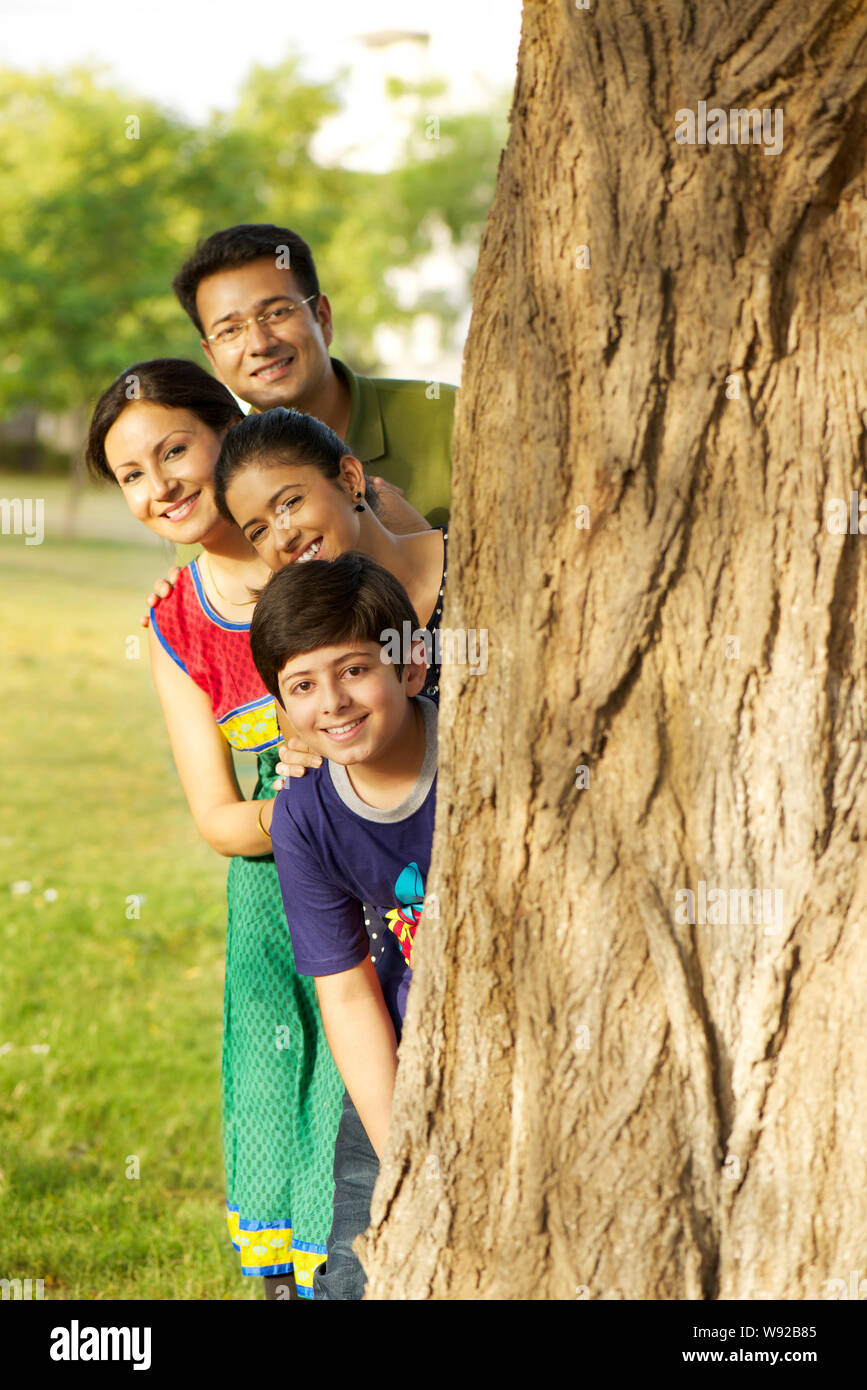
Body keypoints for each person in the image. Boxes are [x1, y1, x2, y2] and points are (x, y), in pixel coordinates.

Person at [86, 359, 448, 1298]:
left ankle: (350, 1260)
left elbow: (424, 575)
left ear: (229, 435)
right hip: (286, 870)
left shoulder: (335, 527)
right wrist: (303, 808)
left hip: (395, 859)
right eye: (132, 474)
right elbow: (214, 815)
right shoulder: (180, 624)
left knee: (352, 1067)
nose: (162, 484)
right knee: (277, 1063)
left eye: (176, 451)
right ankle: (290, 1278)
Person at [248, 552, 438, 1301]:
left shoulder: (478, 757)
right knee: (358, 1271)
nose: (331, 702)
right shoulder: (303, 815)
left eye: (354, 669)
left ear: (410, 667)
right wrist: (403, 1154)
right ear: (282, 709)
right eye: (302, 685)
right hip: (400, 1061)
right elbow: (349, 995)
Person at [172, 222, 455, 527]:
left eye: (278, 313)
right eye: (229, 330)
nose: (260, 344)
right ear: (212, 358)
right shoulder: (218, 478)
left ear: (322, 316)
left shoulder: (450, 416)